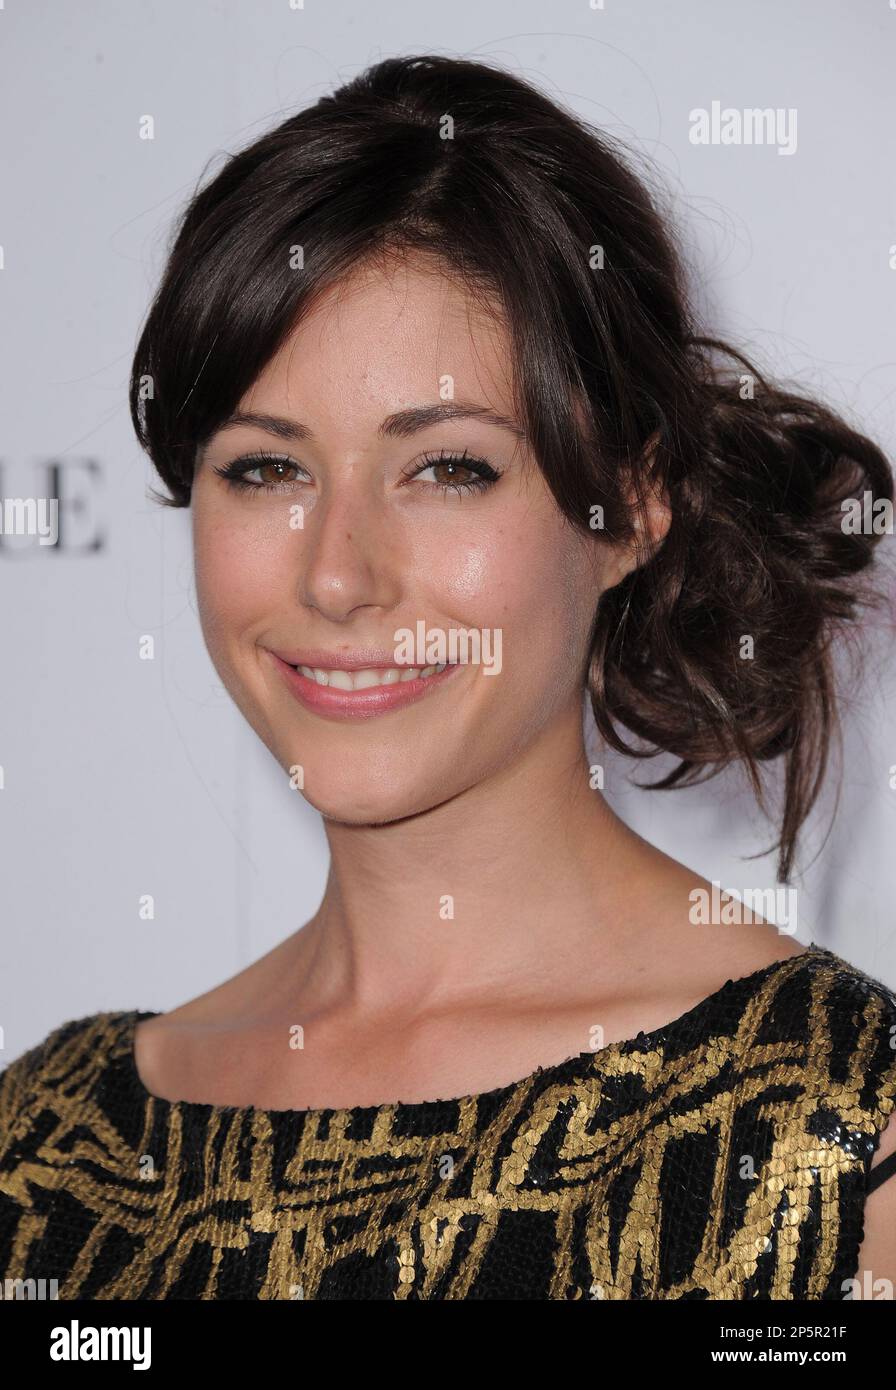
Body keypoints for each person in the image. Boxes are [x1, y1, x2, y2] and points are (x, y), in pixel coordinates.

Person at [2, 54, 895, 1301]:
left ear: (632, 505)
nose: (337, 576)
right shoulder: (52, 1146)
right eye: (266, 469)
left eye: (448, 469)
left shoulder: (843, 1136)